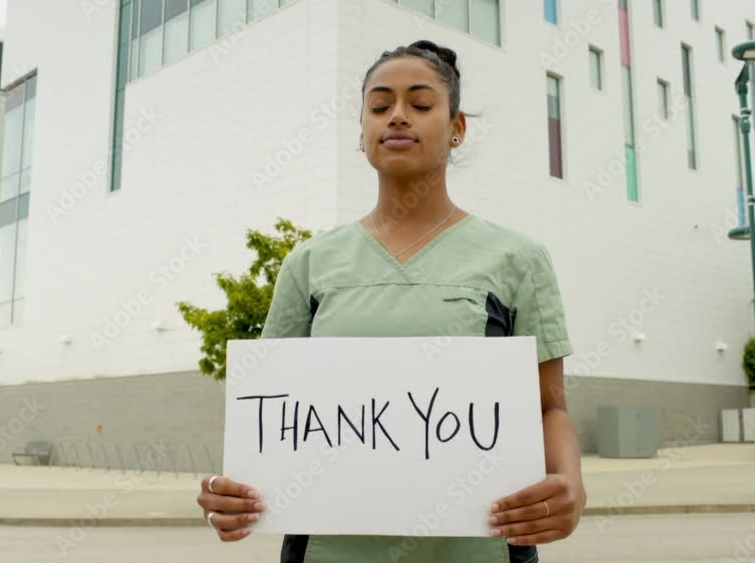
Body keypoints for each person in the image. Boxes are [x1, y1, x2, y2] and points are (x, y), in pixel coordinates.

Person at [197, 39, 586, 563]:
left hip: (481, 550)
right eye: (380, 106)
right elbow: (269, 420)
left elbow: (549, 405)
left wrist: (569, 485)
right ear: (362, 131)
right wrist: (231, 493)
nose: (397, 117)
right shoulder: (309, 264)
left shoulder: (518, 259)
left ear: (457, 126)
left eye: (420, 104)